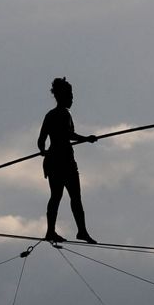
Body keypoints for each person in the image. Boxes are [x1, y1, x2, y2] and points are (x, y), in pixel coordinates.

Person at [38, 77, 97, 243]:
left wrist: (43, 151)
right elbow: (68, 134)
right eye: (70, 96)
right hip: (64, 161)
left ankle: (52, 231)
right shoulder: (64, 114)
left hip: (52, 160)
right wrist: (86, 139)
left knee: (56, 196)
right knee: (74, 197)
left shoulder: (50, 115)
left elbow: (41, 140)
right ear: (63, 96)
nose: (72, 99)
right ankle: (81, 231)